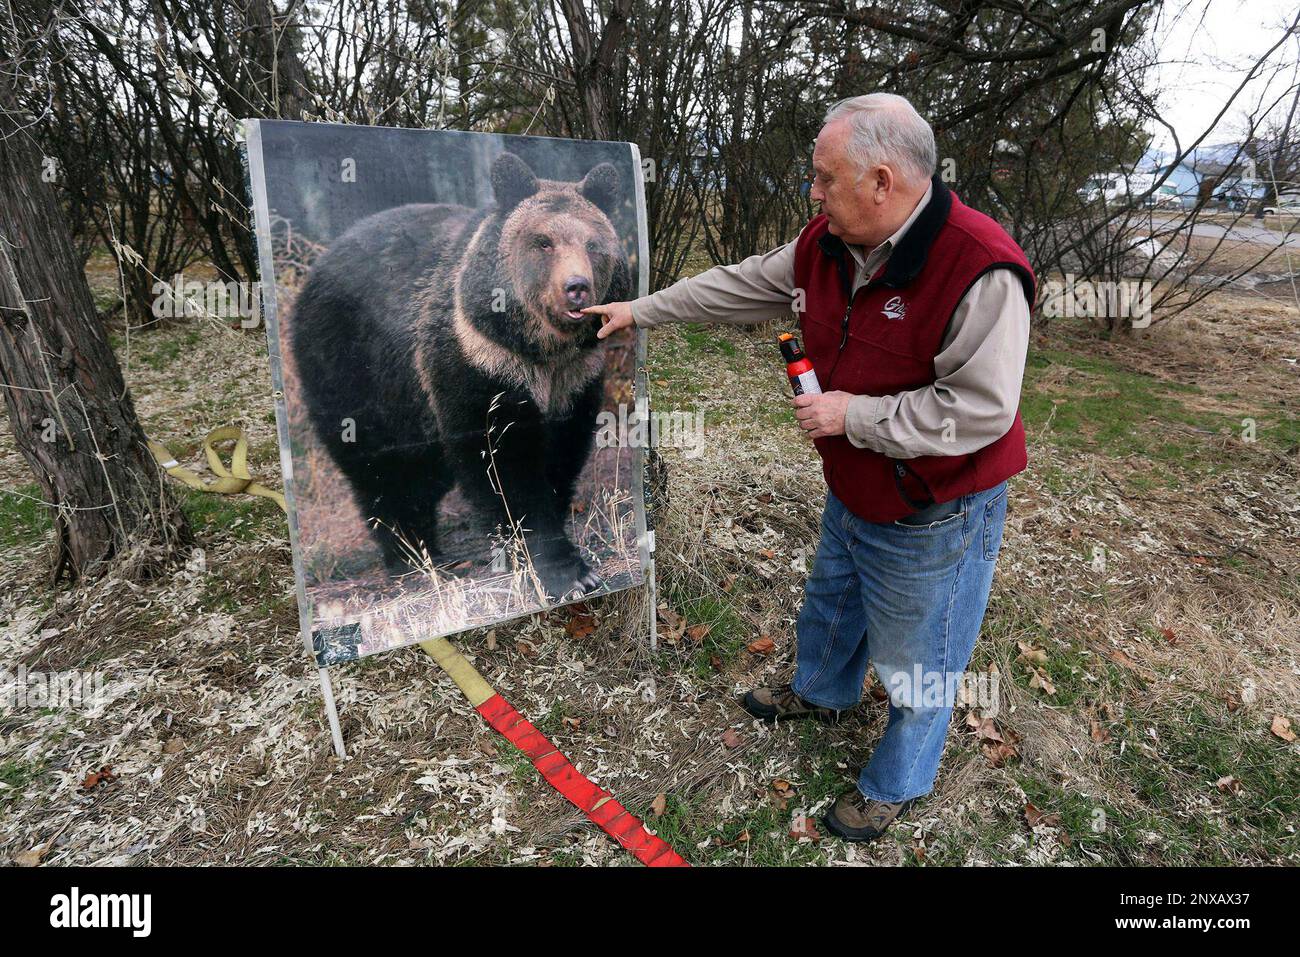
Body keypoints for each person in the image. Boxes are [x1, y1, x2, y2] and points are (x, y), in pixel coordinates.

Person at [583, 92, 1033, 843]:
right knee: (832, 597)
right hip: (854, 483)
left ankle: (899, 778)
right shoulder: (825, 243)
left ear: (883, 181)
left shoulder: (979, 267)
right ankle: (820, 690)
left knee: (920, 655)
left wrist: (851, 415)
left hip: (936, 504)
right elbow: (737, 284)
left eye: (824, 178)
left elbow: (979, 410)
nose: (813, 193)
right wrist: (643, 309)